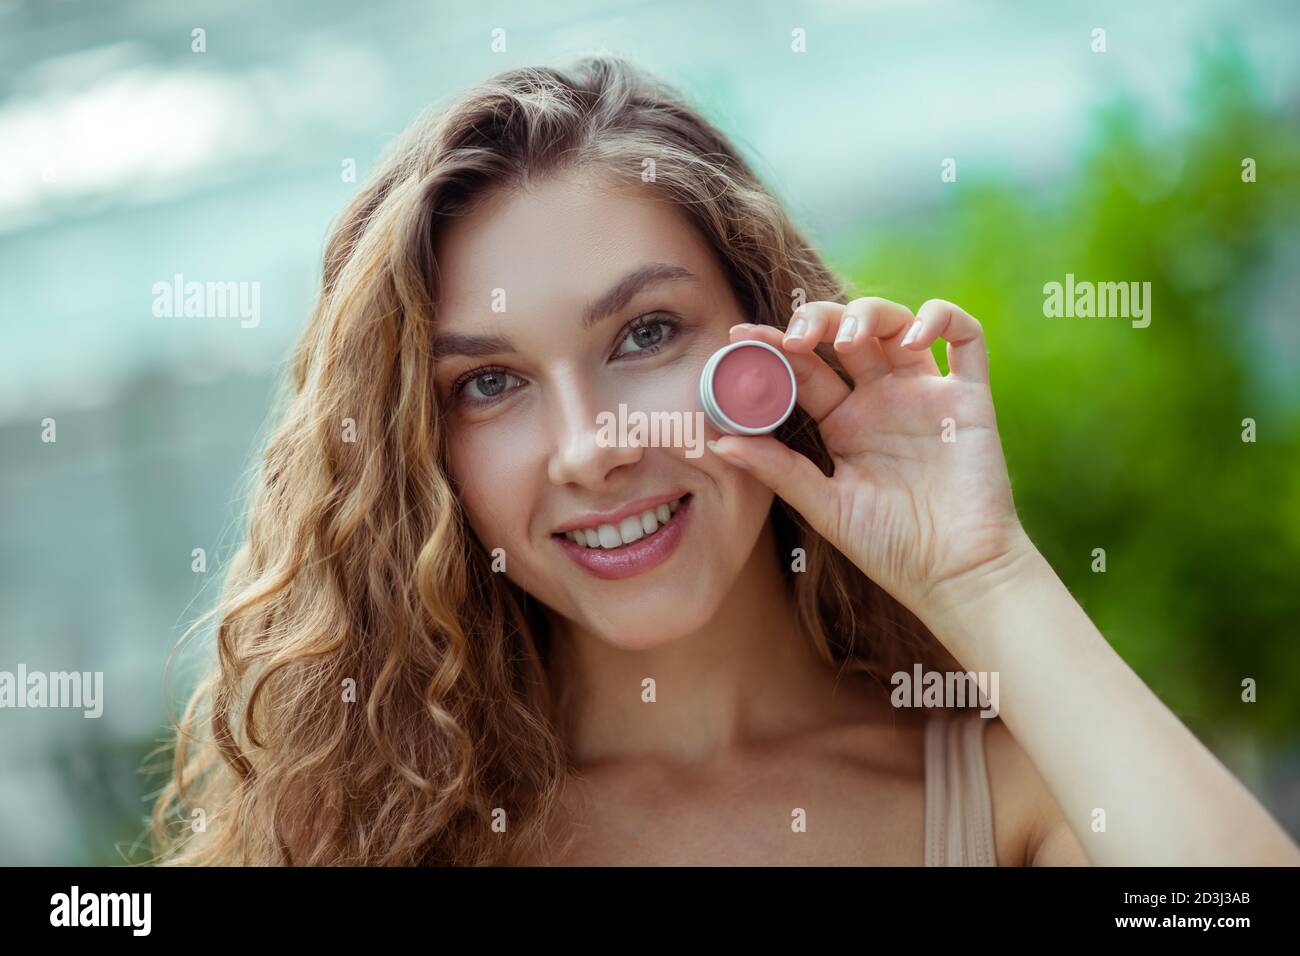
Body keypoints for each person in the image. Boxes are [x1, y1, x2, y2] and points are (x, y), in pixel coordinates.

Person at [151, 55, 1299, 866]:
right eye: (488, 384)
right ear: (421, 456)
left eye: (644, 334)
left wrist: (984, 576)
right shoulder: (366, 833)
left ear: (769, 338)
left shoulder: (1008, 796)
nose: (596, 447)